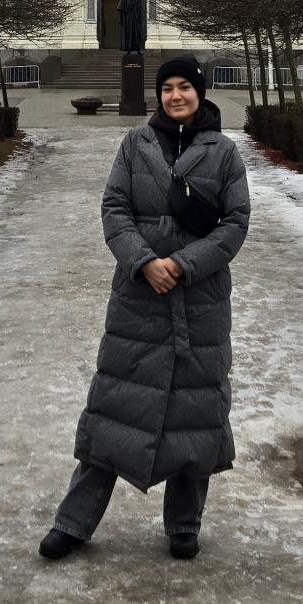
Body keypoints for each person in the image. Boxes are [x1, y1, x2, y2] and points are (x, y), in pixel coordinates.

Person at [40, 53, 250, 562]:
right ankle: (73, 522)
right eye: (168, 88)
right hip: (138, 297)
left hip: (199, 300)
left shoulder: (223, 152)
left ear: (201, 92)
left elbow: (236, 223)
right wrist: (143, 261)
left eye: (185, 87)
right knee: (114, 404)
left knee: (195, 410)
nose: (176, 96)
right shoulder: (135, 145)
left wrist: (182, 263)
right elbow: (114, 209)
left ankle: (184, 524)